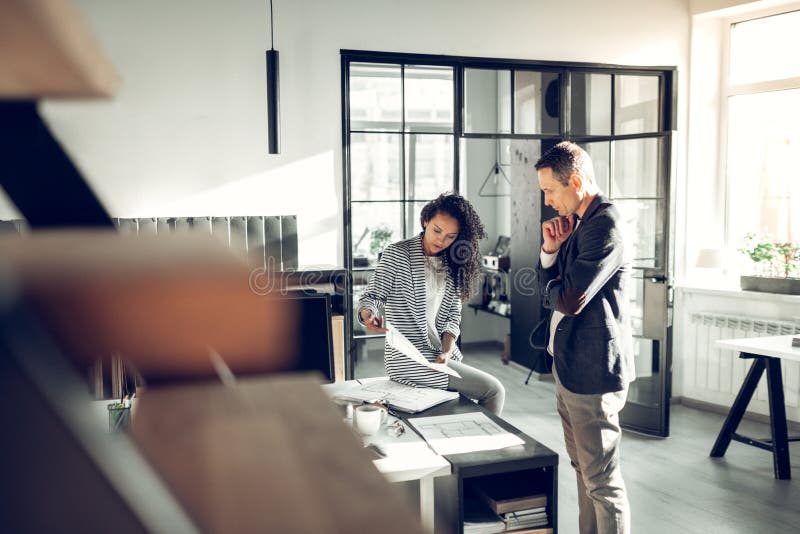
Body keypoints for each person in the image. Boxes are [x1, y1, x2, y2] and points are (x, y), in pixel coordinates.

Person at [535, 141, 635, 534]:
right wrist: (550, 250)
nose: (547, 201)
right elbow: (557, 288)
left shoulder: (604, 226)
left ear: (575, 182)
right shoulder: (578, 222)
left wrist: (554, 283)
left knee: (602, 483)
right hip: (570, 367)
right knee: (583, 470)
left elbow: (570, 299)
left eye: (550, 190)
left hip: (593, 373)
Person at [357, 192, 505, 415]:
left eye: (450, 236)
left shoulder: (453, 261)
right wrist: (368, 314)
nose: (441, 240)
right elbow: (373, 296)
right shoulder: (397, 254)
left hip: (438, 356)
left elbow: (452, 316)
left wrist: (446, 352)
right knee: (494, 390)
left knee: (468, 401)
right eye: (437, 230)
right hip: (407, 359)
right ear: (425, 220)